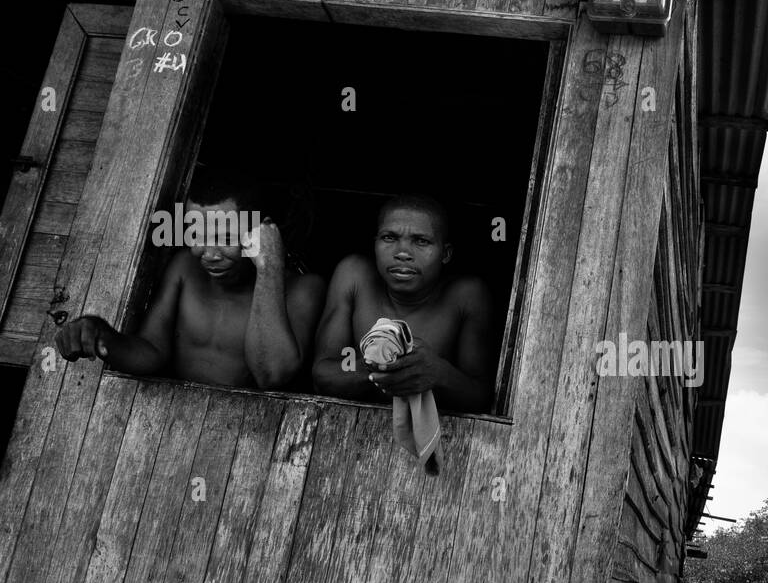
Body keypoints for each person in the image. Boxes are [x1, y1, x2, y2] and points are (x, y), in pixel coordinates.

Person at [54, 171, 325, 390]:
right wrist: (103, 336)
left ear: (262, 233)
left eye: (225, 237)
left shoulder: (303, 289)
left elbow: (273, 375)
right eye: (197, 236)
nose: (208, 254)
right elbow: (152, 353)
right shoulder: (185, 269)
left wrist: (269, 266)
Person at [312, 194, 494, 412]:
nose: (402, 253)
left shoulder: (466, 295)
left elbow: (481, 395)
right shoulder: (354, 275)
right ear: (375, 243)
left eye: (421, 241)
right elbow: (323, 375)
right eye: (389, 238)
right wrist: (378, 365)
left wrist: (438, 373)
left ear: (445, 254)